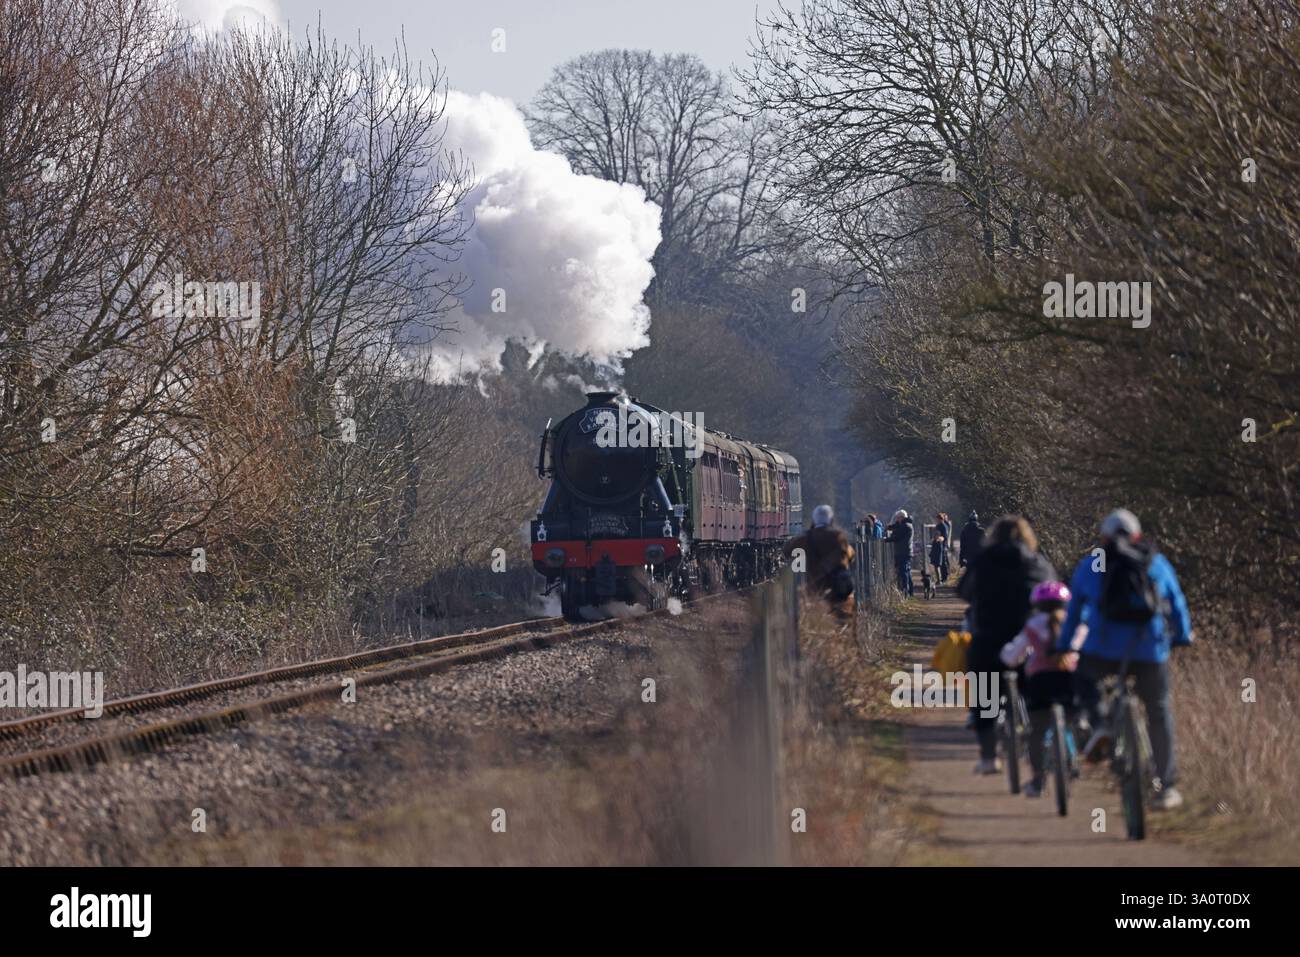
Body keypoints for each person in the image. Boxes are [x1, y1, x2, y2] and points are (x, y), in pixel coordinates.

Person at [1057, 509, 1192, 811]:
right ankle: (1167, 787)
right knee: (1157, 711)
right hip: (1148, 650)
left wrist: (1064, 646)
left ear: (1103, 538)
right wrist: (1182, 636)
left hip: (1103, 650)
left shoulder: (1092, 564)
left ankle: (1101, 723)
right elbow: (1177, 602)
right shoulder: (1155, 561)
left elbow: (1074, 611)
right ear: (1137, 536)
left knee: (1084, 678)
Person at [958, 515, 1055, 773]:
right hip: (1029, 639)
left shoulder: (983, 560)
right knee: (1036, 693)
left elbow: (964, 591)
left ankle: (989, 758)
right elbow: (1052, 591)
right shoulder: (1037, 562)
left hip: (989, 637)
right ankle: (1041, 757)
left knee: (985, 691)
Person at [999, 581, 1086, 797]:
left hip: (1041, 683)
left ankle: (1038, 779)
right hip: (1070, 681)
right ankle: (1075, 753)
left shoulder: (1032, 626)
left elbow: (1011, 657)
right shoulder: (1076, 624)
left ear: (1037, 605)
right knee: (1070, 717)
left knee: (1036, 731)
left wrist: (1005, 653)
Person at [783, 504, 856, 618]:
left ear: (813, 520)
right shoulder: (839, 537)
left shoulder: (805, 539)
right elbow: (850, 555)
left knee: (817, 617)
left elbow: (787, 550)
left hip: (815, 587)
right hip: (837, 590)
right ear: (831, 520)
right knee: (841, 618)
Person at [885, 509, 915, 596]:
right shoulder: (906, 524)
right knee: (907, 572)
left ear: (902, 517)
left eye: (898, 518)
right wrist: (890, 527)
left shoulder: (905, 526)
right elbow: (896, 527)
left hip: (903, 552)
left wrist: (886, 539)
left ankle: (905, 591)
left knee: (903, 572)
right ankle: (910, 592)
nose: (897, 519)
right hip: (905, 552)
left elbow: (897, 536)